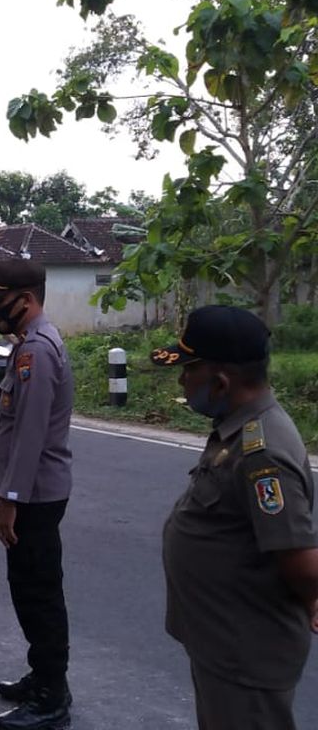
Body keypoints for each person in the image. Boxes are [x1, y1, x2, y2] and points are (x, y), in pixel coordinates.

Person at [152, 305, 318, 730]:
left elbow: (300, 561)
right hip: (224, 643)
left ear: (220, 380)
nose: (182, 381)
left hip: (246, 650)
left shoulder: (262, 453)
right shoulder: (237, 428)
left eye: (189, 370)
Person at [0, 260, 74, 730]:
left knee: (39, 594)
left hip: (33, 496)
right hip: (28, 493)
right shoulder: (27, 347)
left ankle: (53, 697)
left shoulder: (38, 351)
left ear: (26, 300)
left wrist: (7, 500)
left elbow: (29, 435)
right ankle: (43, 675)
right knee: (28, 589)